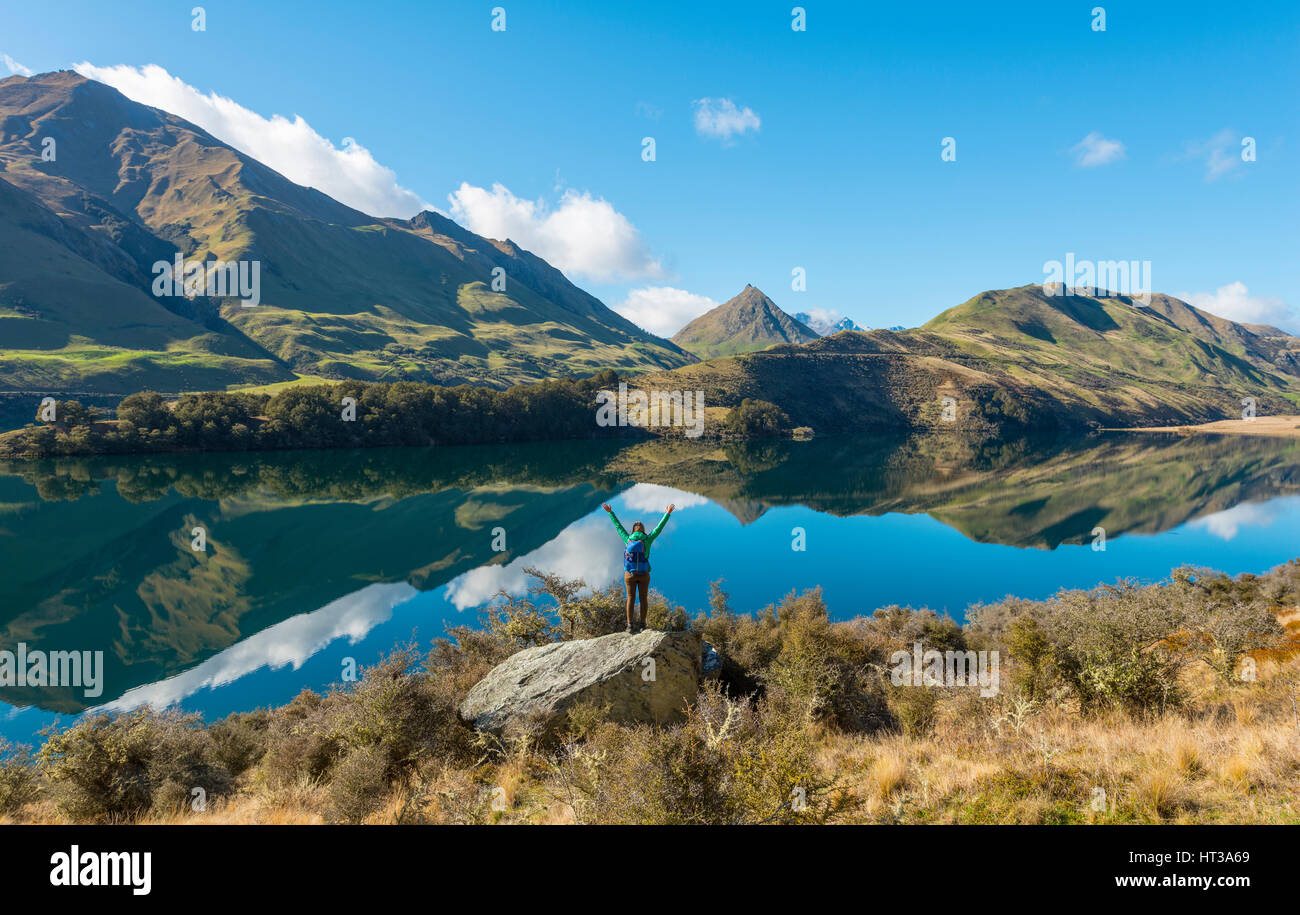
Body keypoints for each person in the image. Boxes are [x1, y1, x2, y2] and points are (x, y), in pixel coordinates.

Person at [602, 502, 674, 633]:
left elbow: (618, 526)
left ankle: (629, 626)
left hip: (629, 574)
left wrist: (610, 512)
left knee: (630, 597)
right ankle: (642, 625)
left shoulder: (628, 539)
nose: (638, 523)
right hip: (644, 574)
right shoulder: (648, 539)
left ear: (633, 529)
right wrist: (667, 513)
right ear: (642, 529)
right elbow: (659, 527)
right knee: (643, 599)